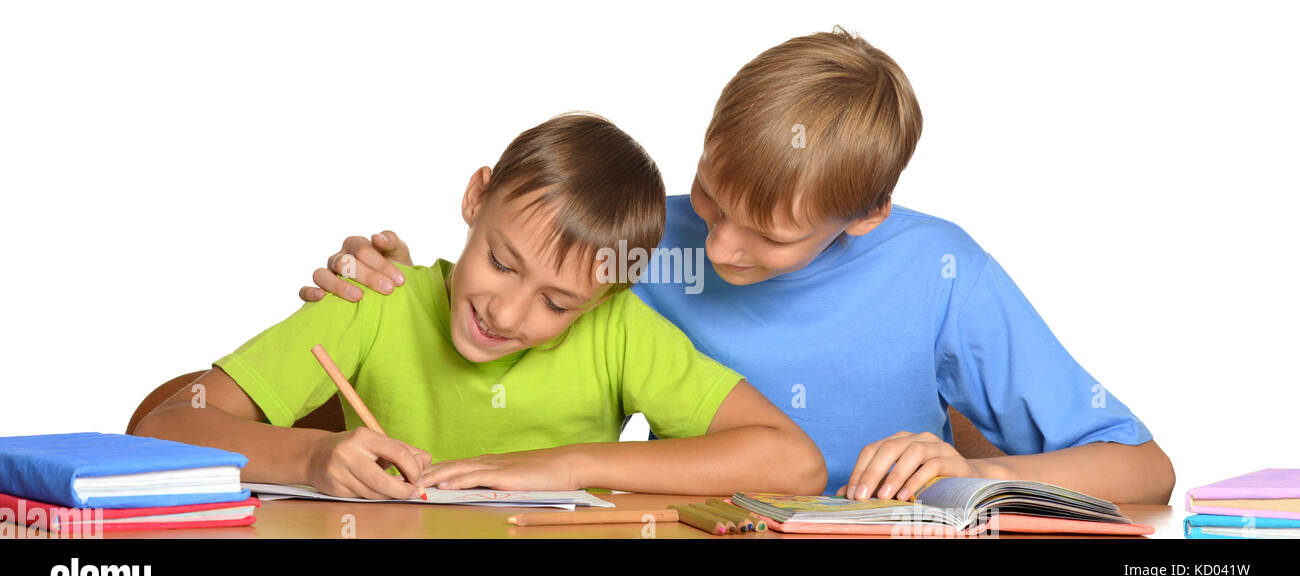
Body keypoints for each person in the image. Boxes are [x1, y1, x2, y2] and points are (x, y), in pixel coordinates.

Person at [305, 28, 1176, 504]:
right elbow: (511, 282)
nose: (717, 248)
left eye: (771, 237)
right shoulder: (641, 244)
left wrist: (980, 470)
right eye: (711, 197)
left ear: (864, 216)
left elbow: (1143, 469)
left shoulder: (944, 271)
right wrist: (376, 287)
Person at [134, 112, 827, 499]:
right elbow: (162, 426)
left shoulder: (619, 331)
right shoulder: (374, 300)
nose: (507, 312)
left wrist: (567, 465)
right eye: (501, 262)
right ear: (476, 197)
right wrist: (313, 458)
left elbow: (794, 464)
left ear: (611, 289)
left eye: (557, 303)